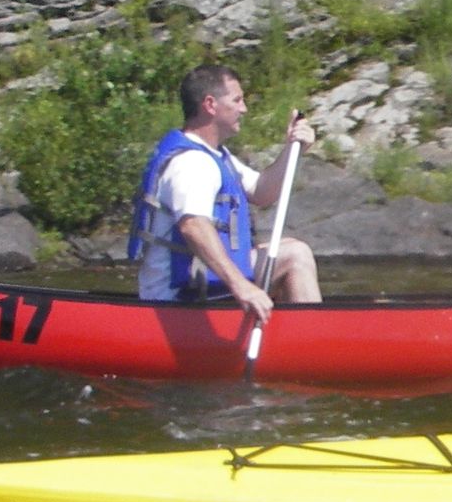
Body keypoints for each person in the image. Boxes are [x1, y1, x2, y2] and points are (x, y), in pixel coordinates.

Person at [129, 64, 320, 321]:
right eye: (237, 100)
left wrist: (292, 150)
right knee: (295, 257)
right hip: (177, 298)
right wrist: (242, 287)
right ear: (210, 104)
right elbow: (193, 226)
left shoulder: (216, 155)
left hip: (202, 284)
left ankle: (298, 335)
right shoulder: (192, 163)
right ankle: (312, 342)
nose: (244, 109)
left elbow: (262, 192)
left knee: (291, 249)